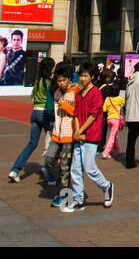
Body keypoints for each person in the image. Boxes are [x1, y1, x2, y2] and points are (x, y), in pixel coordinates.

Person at [64, 64, 113, 212]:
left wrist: (81, 131)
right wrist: (77, 132)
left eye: (86, 76)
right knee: (75, 168)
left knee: (89, 167)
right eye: (81, 75)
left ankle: (106, 186)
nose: (83, 78)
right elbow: (77, 114)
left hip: (91, 135)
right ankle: (78, 199)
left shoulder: (96, 92)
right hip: (80, 135)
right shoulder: (79, 93)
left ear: (92, 77)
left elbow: (93, 115)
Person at [9, 57, 55, 181]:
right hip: (44, 113)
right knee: (51, 143)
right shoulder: (48, 82)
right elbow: (51, 101)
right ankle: (49, 173)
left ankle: (15, 170)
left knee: (32, 143)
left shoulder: (38, 80)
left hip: (35, 112)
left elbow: (32, 97)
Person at [43, 64, 77, 204]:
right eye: (59, 80)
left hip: (69, 135)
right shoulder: (56, 92)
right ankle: (61, 182)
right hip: (57, 133)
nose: (61, 83)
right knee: (49, 158)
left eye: (63, 80)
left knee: (65, 165)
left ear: (69, 79)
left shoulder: (76, 92)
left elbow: (76, 112)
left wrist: (64, 104)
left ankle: (64, 196)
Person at [100, 70, 125, 158]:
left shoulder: (108, 99)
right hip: (116, 119)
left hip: (109, 119)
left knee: (114, 135)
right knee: (112, 136)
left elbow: (104, 109)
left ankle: (116, 150)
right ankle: (106, 152)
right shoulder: (118, 99)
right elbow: (125, 102)